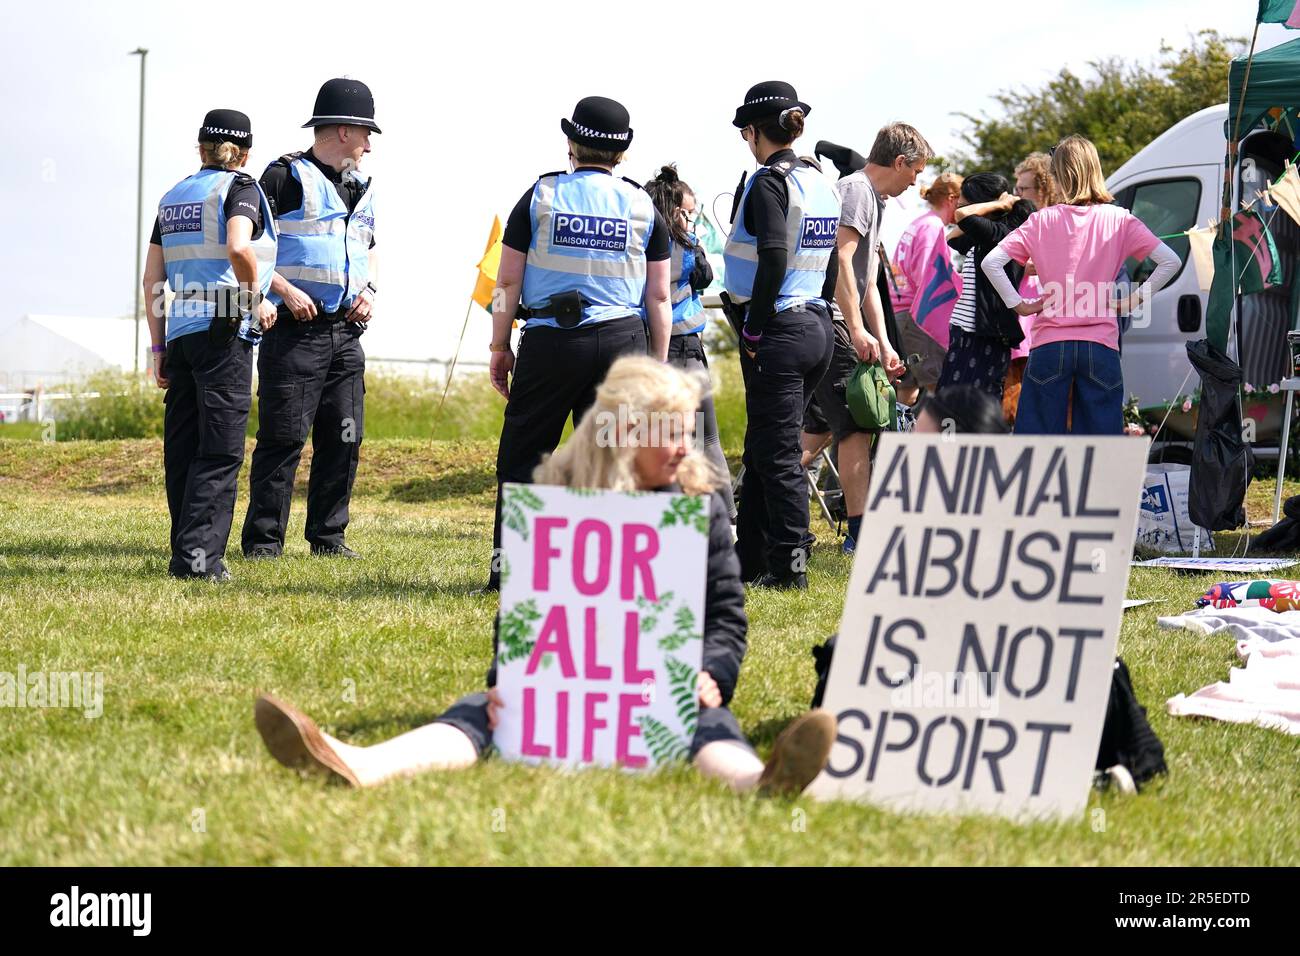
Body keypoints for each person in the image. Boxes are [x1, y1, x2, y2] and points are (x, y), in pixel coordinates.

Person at [254, 357, 837, 796]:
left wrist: (710, 674)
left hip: (660, 686)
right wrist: (510, 679)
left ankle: (760, 782)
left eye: (690, 431)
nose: (688, 447)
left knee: (705, 721)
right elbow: (526, 615)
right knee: (480, 711)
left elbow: (727, 620)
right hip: (564, 694)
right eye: (673, 432)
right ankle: (358, 764)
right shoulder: (559, 501)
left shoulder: (702, 508)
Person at [483, 96, 673, 592]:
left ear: (571, 143)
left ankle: (511, 575)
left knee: (526, 455)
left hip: (549, 342)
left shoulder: (540, 196)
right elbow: (658, 295)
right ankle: (606, 580)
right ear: (623, 153)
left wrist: (499, 345)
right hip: (621, 343)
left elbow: (506, 282)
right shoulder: (641, 204)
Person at [241, 79, 380, 560]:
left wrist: (370, 291)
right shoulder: (283, 177)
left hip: (346, 332)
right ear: (342, 129)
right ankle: (263, 543)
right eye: (366, 133)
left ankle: (328, 537)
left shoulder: (363, 187)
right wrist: (283, 289)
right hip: (294, 331)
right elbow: (248, 251)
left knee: (345, 436)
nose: (369, 145)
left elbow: (366, 252)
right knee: (283, 439)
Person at [142, 109, 278, 581]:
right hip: (224, 327)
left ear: (200, 147)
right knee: (219, 448)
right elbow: (240, 248)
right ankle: (199, 563)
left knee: (182, 445)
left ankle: (185, 550)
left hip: (180, 332)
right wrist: (255, 297)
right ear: (243, 152)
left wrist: (157, 350)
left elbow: (152, 280)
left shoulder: (172, 196)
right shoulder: (239, 188)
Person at [722, 81, 840, 589]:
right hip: (816, 322)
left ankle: (791, 563)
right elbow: (833, 258)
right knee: (762, 445)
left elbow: (772, 255)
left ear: (752, 132)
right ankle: (748, 558)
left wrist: (754, 325)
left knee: (777, 454)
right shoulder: (819, 180)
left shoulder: (769, 182)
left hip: (780, 327)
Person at [982, 135, 1181, 435]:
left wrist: (1019, 304)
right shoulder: (1120, 220)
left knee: (1038, 445)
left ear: (1060, 175)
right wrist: (1133, 301)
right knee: (1101, 448)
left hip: (1050, 344)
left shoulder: (1040, 221)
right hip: (1100, 346)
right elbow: (1170, 262)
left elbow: (991, 262)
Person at [813, 123, 931, 555]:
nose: (916, 181)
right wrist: (857, 327)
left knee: (827, 427)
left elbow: (868, 281)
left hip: (844, 319)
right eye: (915, 171)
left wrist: (882, 339)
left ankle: (766, 508)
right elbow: (842, 259)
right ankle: (859, 534)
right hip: (832, 319)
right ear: (898, 162)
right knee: (858, 423)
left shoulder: (874, 199)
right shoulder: (857, 191)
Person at [644, 164, 735, 520]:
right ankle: (726, 520)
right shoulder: (688, 247)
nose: (694, 221)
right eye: (690, 213)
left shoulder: (645, 246)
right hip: (690, 352)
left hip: (658, 351)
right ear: (674, 211)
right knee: (706, 442)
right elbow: (705, 276)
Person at [938, 174, 1034, 400]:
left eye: (964, 200)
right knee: (951, 402)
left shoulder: (1002, 235)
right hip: (965, 331)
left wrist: (999, 205)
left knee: (974, 406)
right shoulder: (983, 235)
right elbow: (952, 237)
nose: (959, 206)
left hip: (984, 334)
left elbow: (961, 216)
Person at [889, 171, 963, 395]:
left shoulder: (920, 223)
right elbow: (927, 276)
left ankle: (900, 431)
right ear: (952, 199)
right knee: (937, 386)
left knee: (908, 388)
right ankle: (937, 430)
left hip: (899, 311)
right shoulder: (933, 227)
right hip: (916, 316)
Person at [1004, 152, 1060, 422]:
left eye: (1023, 188)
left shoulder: (1053, 219)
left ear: (1043, 189)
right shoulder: (1022, 219)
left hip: (1048, 314)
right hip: (1024, 312)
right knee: (1016, 388)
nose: (1017, 194)